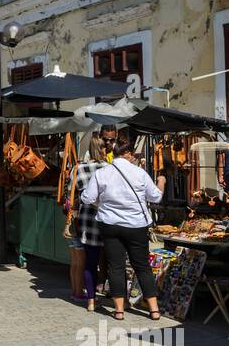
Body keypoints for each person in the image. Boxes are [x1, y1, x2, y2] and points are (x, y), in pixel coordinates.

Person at [80, 133, 166, 322]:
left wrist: (102, 202)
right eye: (133, 154)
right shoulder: (139, 173)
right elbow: (156, 197)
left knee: (115, 266)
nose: (134, 157)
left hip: (110, 225)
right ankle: (154, 310)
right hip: (136, 225)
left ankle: (119, 310)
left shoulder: (102, 173)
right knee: (142, 266)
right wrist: (162, 182)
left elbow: (86, 198)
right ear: (126, 154)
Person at [71, 134, 109, 313]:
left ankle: (91, 301)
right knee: (112, 261)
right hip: (108, 217)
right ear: (103, 149)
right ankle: (120, 301)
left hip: (87, 219)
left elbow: (75, 194)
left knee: (90, 261)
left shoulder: (78, 168)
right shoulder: (108, 168)